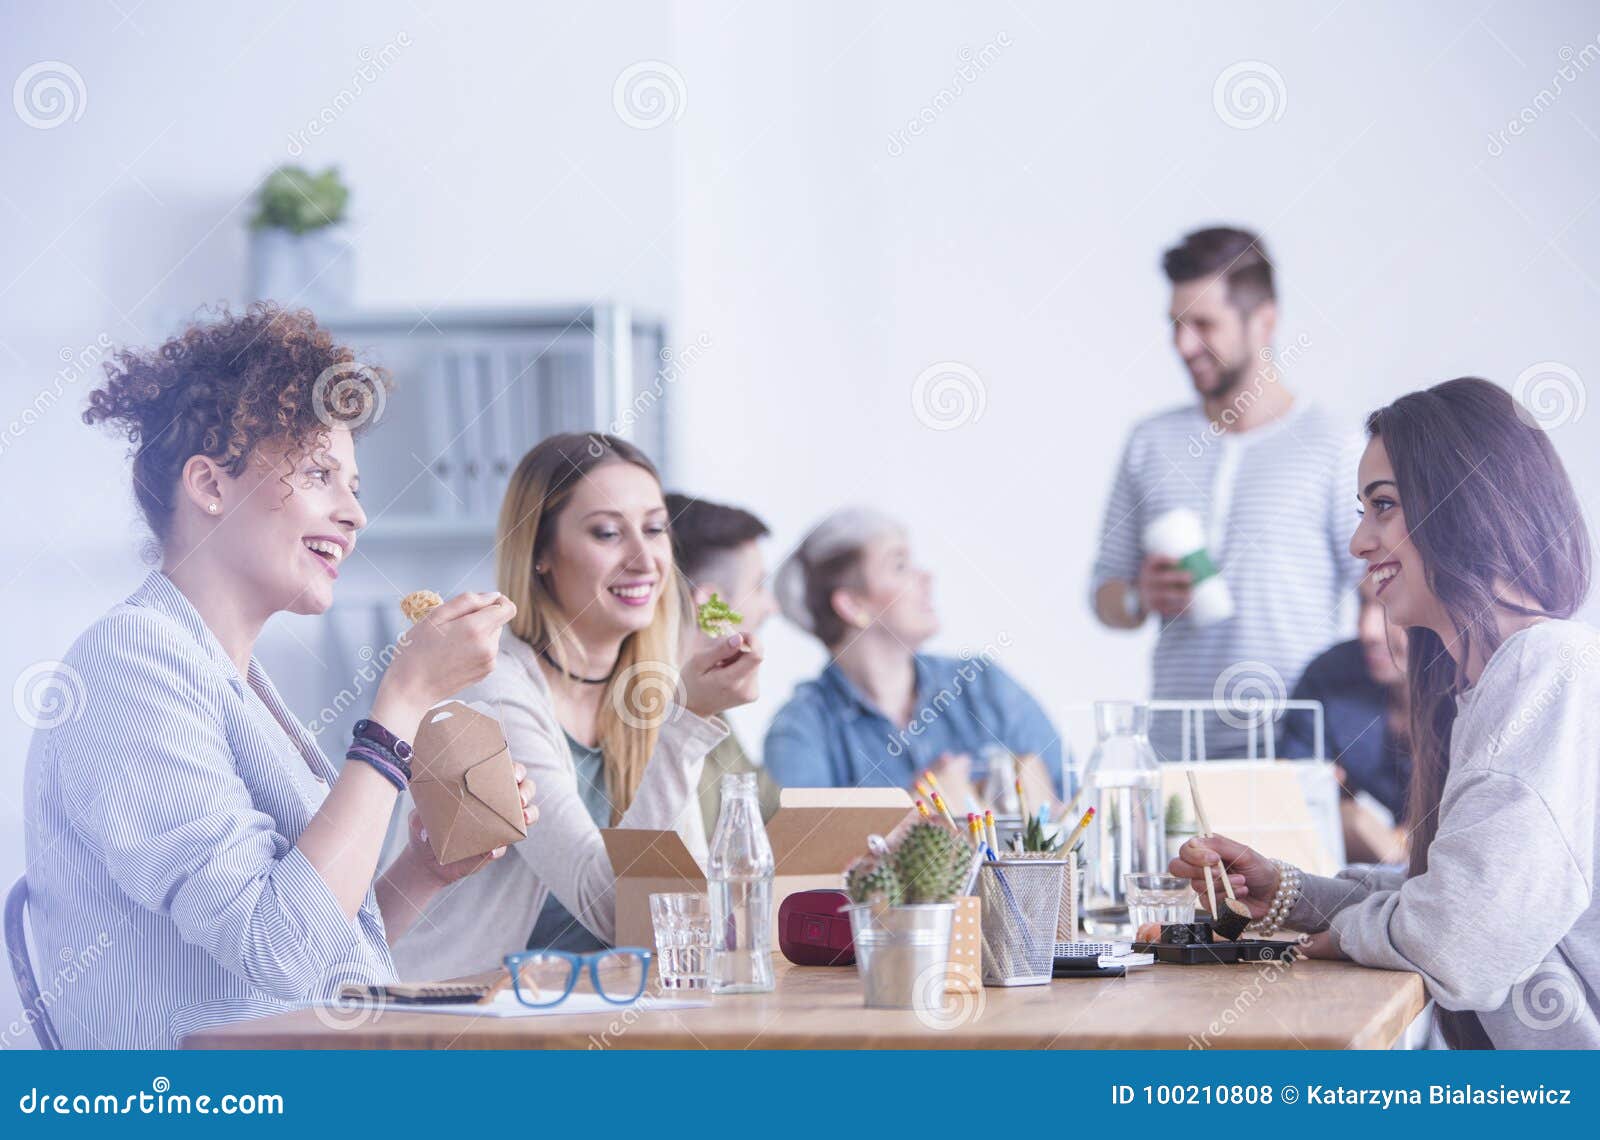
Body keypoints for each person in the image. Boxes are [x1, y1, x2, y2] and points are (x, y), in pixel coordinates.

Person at [23, 305, 533, 1048]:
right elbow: (280, 951)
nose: (355, 514)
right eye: (320, 474)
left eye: (353, 485)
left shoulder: (233, 680)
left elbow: (314, 954)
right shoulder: (128, 667)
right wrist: (402, 703)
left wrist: (423, 871)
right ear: (210, 485)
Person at [1171, 377, 1598, 1050]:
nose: (1359, 542)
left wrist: (1341, 933)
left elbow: (1459, 941)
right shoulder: (1489, 683)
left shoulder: (1548, 667)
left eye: (1384, 506)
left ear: (1466, 506)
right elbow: (1444, 895)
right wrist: (1290, 893)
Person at [389, 434, 763, 975]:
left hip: (599, 998)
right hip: (466, 1006)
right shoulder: (490, 693)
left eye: (655, 529)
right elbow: (613, 908)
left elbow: (685, 905)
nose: (644, 560)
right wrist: (690, 721)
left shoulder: (649, 685)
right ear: (540, 553)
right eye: (607, 533)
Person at [1091, 226, 1363, 760]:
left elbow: (1381, 600)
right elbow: (1104, 594)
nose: (1183, 345)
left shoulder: (1335, 445)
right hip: (1176, 752)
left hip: (1292, 752)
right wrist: (1140, 596)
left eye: (1203, 324)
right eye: (1175, 325)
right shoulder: (1150, 442)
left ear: (1264, 321)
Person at [764, 507, 1062, 809]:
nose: (926, 577)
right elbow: (799, 838)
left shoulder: (983, 684)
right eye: (900, 566)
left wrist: (1037, 791)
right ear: (853, 605)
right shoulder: (800, 731)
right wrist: (918, 810)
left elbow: (1072, 800)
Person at [663, 491, 783, 831]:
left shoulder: (710, 704)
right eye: (758, 586)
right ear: (711, 604)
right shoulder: (649, 708)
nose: (771, 607)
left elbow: (770, 808)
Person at [1281, 573, 1412, 864]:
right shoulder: (1329, 676)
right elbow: (1296, 794)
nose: (1367, 630)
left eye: (1390, 607)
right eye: (1363, 603)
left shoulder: (1482, 687)